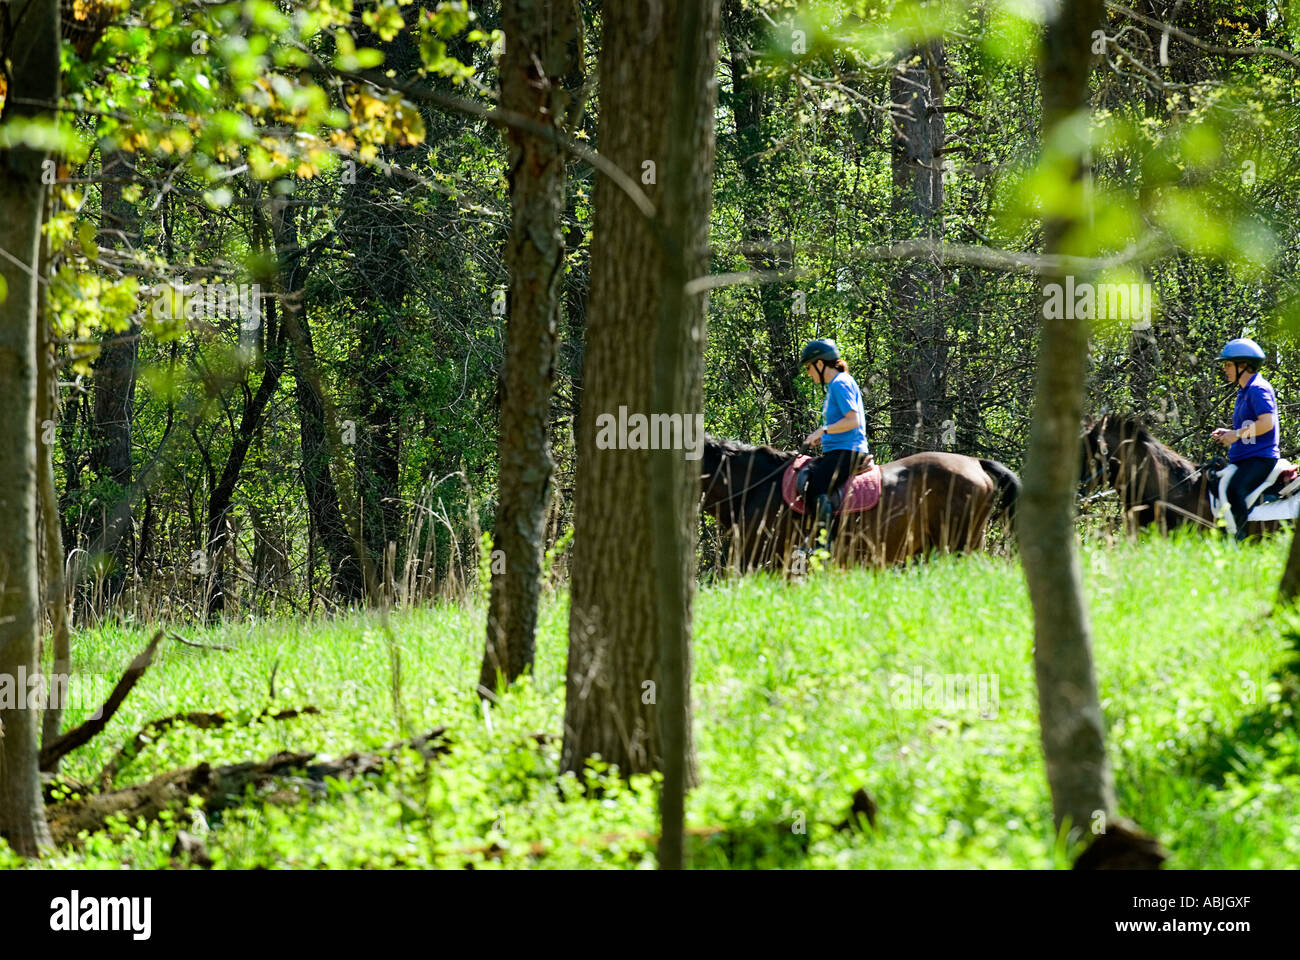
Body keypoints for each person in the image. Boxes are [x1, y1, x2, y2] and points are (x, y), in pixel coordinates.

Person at [798, 338, 871, 554]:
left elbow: (853, 420)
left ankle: (824, 546)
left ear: (820, 365)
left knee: (816, 487)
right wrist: (824, 437)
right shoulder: (837, 384)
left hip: (848, 451)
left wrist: (824, 430)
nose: (809, 372)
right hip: (840, 449)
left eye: (809, 367)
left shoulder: (840, 383)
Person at [1211, 337, 1279, 541]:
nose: (1225, 368)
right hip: (1245, 458)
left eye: (1229, 364)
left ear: (1244, 366)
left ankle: (1238, 541)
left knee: (1234, 490)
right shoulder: (1244, 391)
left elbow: (1267, 423)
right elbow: (1251, 426)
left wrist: (1237, 434)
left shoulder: (1258, 389)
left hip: (1260, 459)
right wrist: (1229, 433)